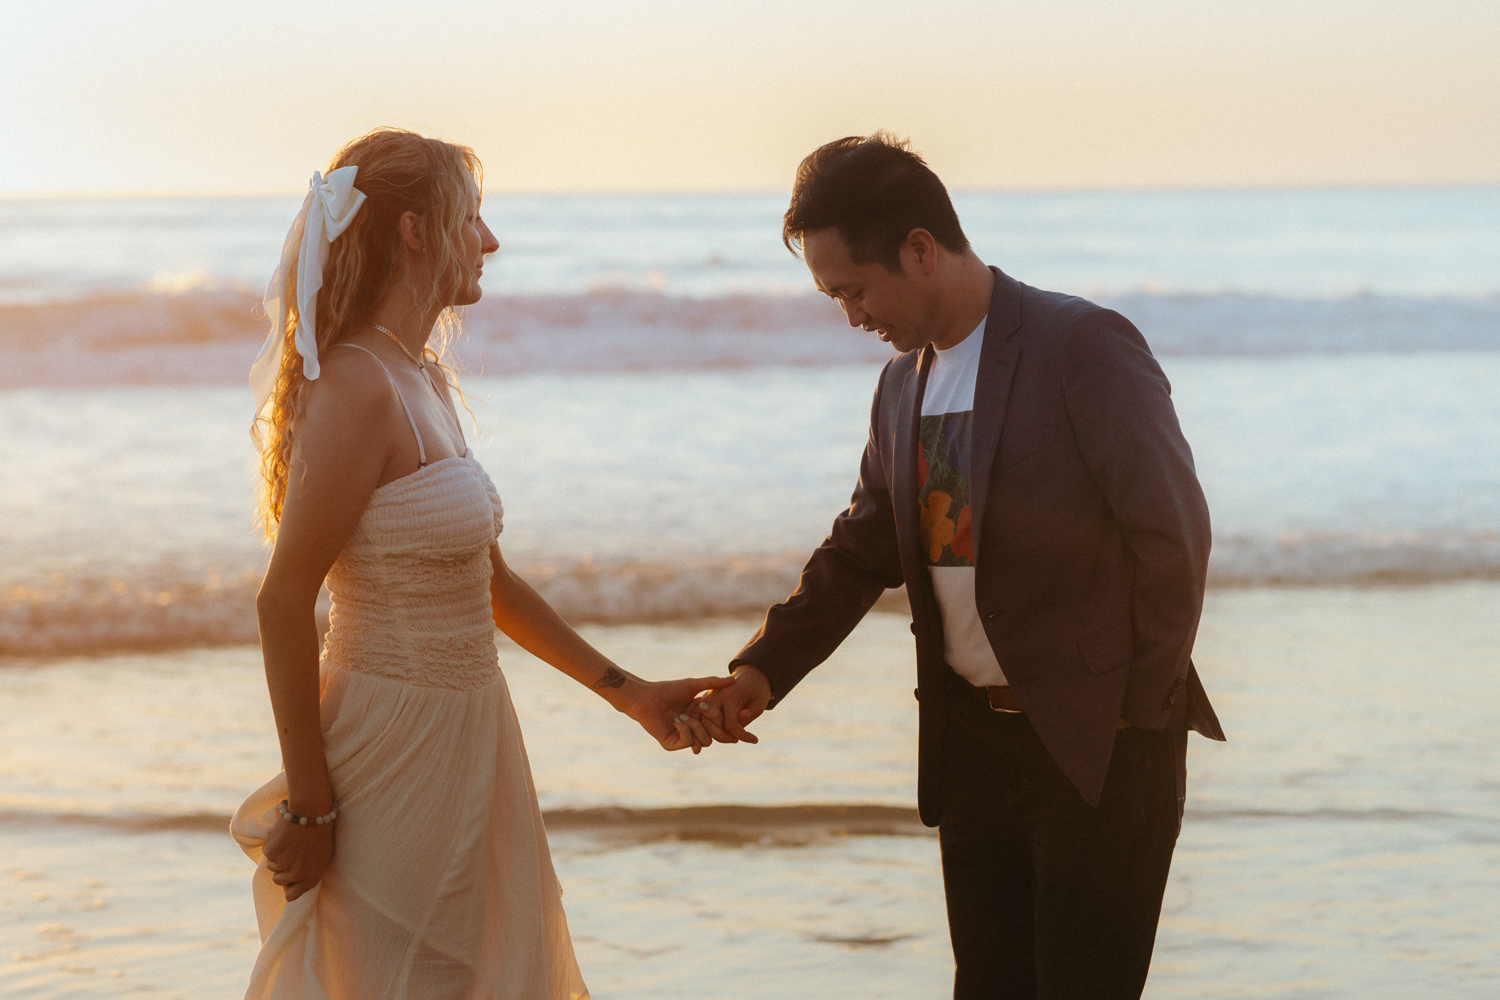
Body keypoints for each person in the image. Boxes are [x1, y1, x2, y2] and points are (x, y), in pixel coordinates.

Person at [694, 134, 1226, 999]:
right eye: (833, 297)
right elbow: (864, 544)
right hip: (971, 746)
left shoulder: (1079, 345)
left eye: (854, 291)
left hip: (1098, 741)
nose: (852, 316)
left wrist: (1136, 709)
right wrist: (762, 668)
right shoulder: (905, 384)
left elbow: (1173, 533)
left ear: (920, 249)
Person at [229, 128, 725, 999]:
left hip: (474, 735)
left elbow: (490, 586)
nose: (489, 242)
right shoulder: (355, 386)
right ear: (417, 230)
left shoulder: (422, 380)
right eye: (474, 220)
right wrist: (310, 802)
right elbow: (282, 601)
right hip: (387, 747)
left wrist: (630, 692)